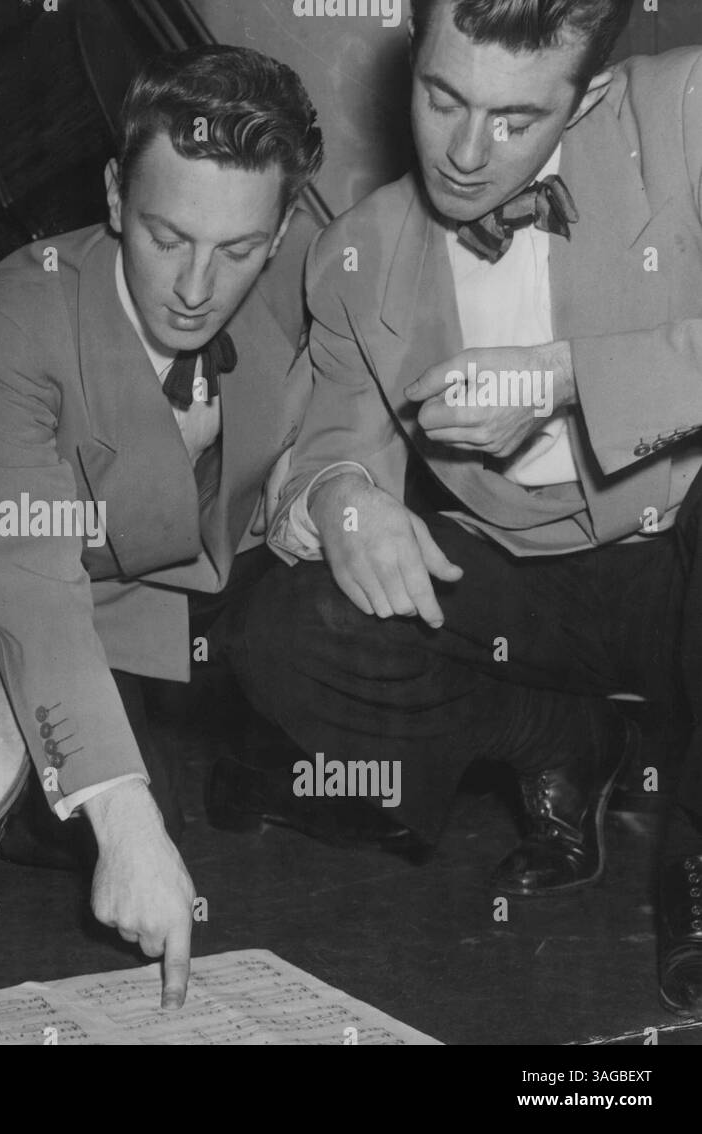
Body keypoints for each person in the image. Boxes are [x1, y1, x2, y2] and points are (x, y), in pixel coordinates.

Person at [236, 0, 702, 1014]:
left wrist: (571, 378)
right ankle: (560, 742)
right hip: (530, 595)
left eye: (514, 120)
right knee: (283, 628)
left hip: (682, 559)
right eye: (439, 96)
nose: (460, 151)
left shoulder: (683, 118)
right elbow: (333, 438)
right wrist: (344, 495)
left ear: (593, 92)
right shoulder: (357, 251)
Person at [0, 44, 323, 1007]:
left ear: (279, 233)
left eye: (237, 251)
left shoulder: (311, 277)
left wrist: (322, 489)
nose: (197, 286)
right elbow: (27, 581)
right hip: (63, 613)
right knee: (144, 818)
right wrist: (121, 814)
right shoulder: (7, 328)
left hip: (202, 586)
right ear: (114, 196)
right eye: (165, 237)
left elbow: (347, 402)